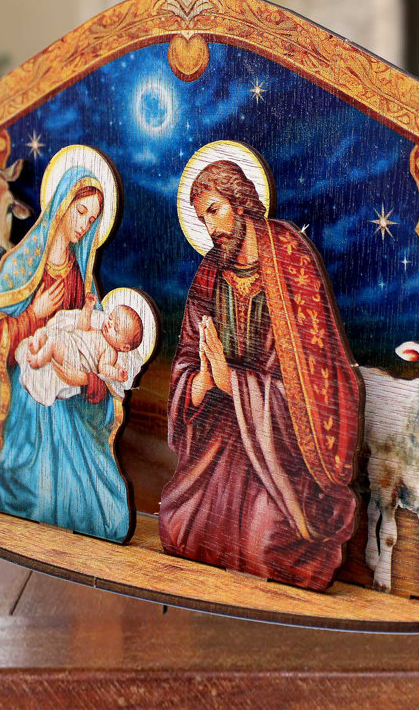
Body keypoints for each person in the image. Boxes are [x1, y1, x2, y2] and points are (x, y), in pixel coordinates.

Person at [159, 159, 362, 590]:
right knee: (180, 527)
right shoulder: (210, 271)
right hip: (221, 439)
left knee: (263, 544)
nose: (210, 228)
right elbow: (186, 361)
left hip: (283, 451)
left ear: (240, 202)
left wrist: (232, 381)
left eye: (214, 210)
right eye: (201, 218)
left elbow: (315, 383)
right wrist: (202, 382)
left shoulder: (290, 258)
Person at [0, 165, 132, 543]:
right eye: (80, 212)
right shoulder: (20, 267)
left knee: (109, 510)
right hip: (27, 396)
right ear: (61, 205)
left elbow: (96, 346)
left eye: (91, 219)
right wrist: (33, 315)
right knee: (51, 491)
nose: (84, 225)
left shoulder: (81, 277)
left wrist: (88, 379)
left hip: (66, 394)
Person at [18, 293, 144, 406]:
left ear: (124, 347)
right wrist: (88, 309)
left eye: (115, 328)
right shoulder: (98, 331)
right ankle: (38, 347)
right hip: (72, 342)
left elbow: (103, 369)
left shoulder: (110, 353)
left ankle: (37, 361)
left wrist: (117, 374)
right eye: (110, 318)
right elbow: (82, 328)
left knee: (54, 342)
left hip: (76, 357)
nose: (109, 323)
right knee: (46, 333)